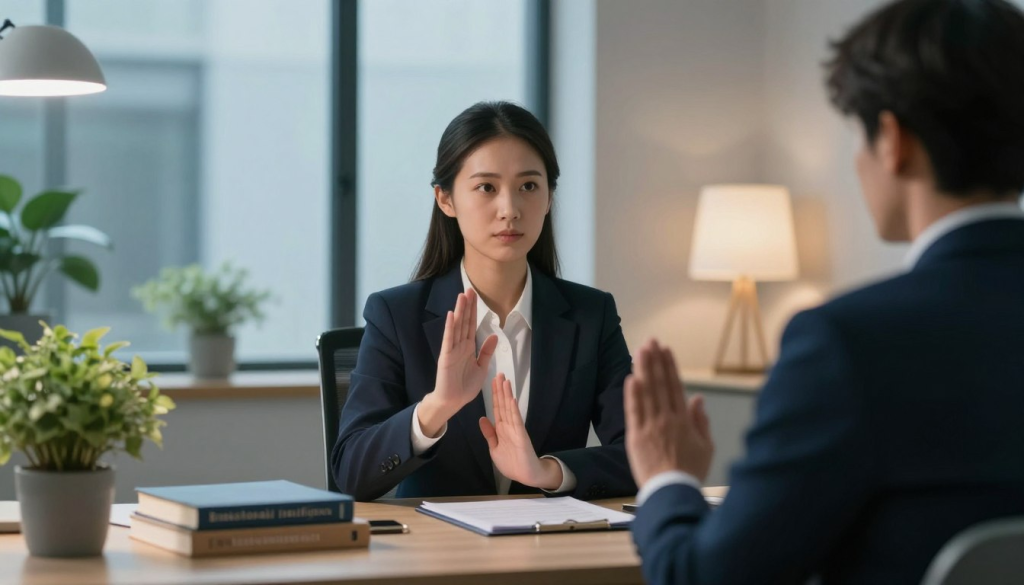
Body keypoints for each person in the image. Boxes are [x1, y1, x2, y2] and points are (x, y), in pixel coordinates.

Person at [625, 0, 1024, 583]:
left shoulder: (849, 345)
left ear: (891, 140)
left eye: (857, 139)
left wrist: (666, 479)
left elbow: (704, 577)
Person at [332, 101, 636, 502]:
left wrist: (547, 471)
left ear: (548, 198)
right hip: (439, 557)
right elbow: (351, 474)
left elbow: (644, 455)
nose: (509, 210)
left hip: (551, 550)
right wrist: (436, 407)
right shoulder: (395, 315)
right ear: (446, 199)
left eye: (528, 186)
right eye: (486, 187)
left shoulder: (591, 316)